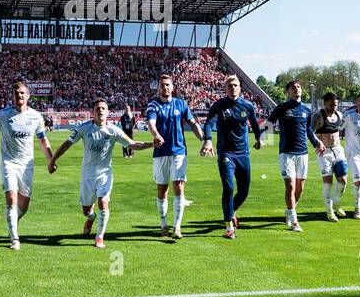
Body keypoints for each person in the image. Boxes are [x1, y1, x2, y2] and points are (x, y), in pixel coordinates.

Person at [49, 98, 151, 248]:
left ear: (108, 112)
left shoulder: (114, 130)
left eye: (103, 108)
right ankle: (91, 218)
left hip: (105, 174)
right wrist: (52, 160)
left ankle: (99, 237)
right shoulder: (84, 128)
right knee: (86, 211)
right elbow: (67, 144)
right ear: (93, 112)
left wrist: (151, 144)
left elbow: (133, 145)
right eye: (97, 108)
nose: (100, 110)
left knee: (103, 202)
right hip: (87, 175)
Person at [0, 80, 55, 250]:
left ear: (28, 95)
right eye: (17, 93)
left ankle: (13, 221)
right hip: (8, 162)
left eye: (22, 93)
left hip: (27, 165)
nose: (19, 95)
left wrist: (50, 159)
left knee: (23, 206)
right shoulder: (3, 115)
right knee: (11, 199)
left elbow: (42, 140)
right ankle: (15, 238)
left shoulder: (36, 116)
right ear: (12, 96)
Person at [200, 75, 263, 239]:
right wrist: (207, 140)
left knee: (244, 191)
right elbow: (208, 124)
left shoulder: (247, 106)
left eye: (235, 85)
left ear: (240, 88)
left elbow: (255, 124)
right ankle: (229, 227)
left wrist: (259, 138)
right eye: (230, 86)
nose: (233, 88)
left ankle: (231, 211)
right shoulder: (219, 105)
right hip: (226, 153)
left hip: (243, 153)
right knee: (228, 188)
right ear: (225, 89)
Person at [145, 73, 207, 237]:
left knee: (178, 187)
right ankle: (164, 225)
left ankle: (177, 227)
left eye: (167, 84)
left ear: (172, 87)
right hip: (160, 153)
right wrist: (156, 135)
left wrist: (204, 140)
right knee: (162, 190)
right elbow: (150, 124)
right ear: (158, 88)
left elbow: (193, 124)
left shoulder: (181, 104)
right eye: (162, 84)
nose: (165, 87)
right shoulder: (153, 105)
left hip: (179, 151)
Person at [266, 80, 325, 232]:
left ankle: (289, 210)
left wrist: (317, 143)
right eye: (293, 87)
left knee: (300, 189)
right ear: (287, 92)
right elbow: (269, 123)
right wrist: (263, 138)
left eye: (298, 87)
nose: (296, 89)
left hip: (303, 154)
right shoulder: (282, 108)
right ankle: (294, 221)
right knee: (290, 186)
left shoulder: (306, 110)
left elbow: (309, 131)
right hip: (286, 153)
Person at [312, 92, 349, 221]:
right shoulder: (318, 116)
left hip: (338, 150)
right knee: (328, 183)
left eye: (336, 104)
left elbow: (341, 129)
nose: (334, 107)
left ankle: (337, 203)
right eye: (331, 104)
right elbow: (310, 133)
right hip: (324, 153)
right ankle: (329, 210)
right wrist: (318, 142)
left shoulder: (339, 114)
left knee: (343, 180)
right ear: (325, 103)